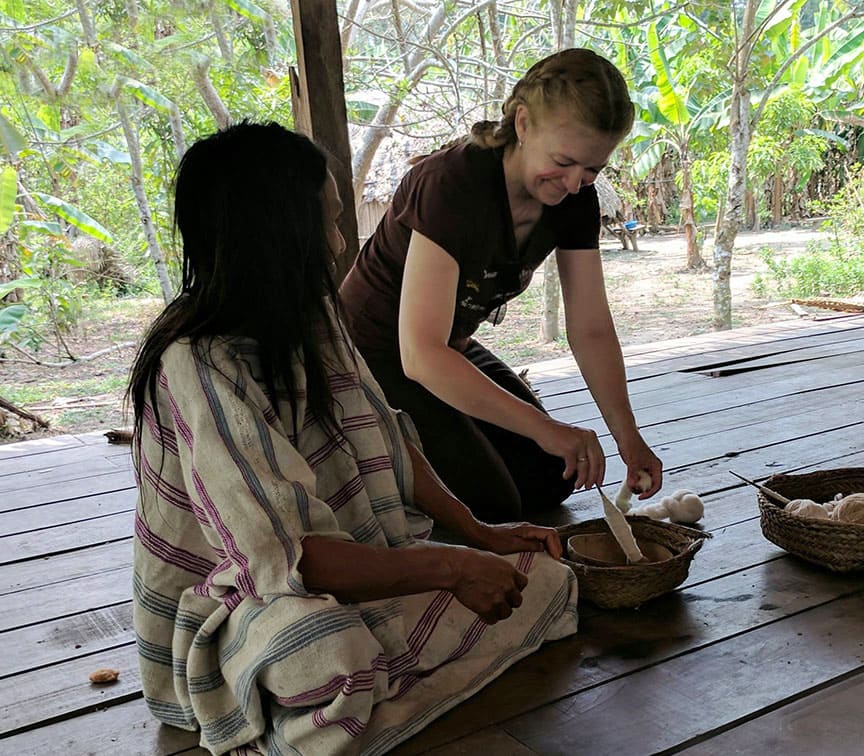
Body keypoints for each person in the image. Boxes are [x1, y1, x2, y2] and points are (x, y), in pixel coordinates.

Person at [128, 122, 578, 756]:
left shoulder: (313, 315)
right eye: (327, 222)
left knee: (547, 582)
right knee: (317, 651)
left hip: (347, 574)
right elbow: (286, 560)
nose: (340, 242)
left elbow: (388, 442)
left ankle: (350, 716)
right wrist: (449, 566)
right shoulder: (197, 364)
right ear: (274, 236)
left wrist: (481, 536)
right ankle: (359, 695)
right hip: (235, 607)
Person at [339, 48, 662, 523]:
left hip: (446, 347)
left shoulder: (575, 202)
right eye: (565, 161)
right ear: (524, 123)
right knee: (492, 506)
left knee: (555, 475)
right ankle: (361, 469)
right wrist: (544, 427)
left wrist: (628, 437)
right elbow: (420, 354)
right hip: (370, 357)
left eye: (593, 169)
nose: (575, 183)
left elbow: (590, 327)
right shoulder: (454, 184)